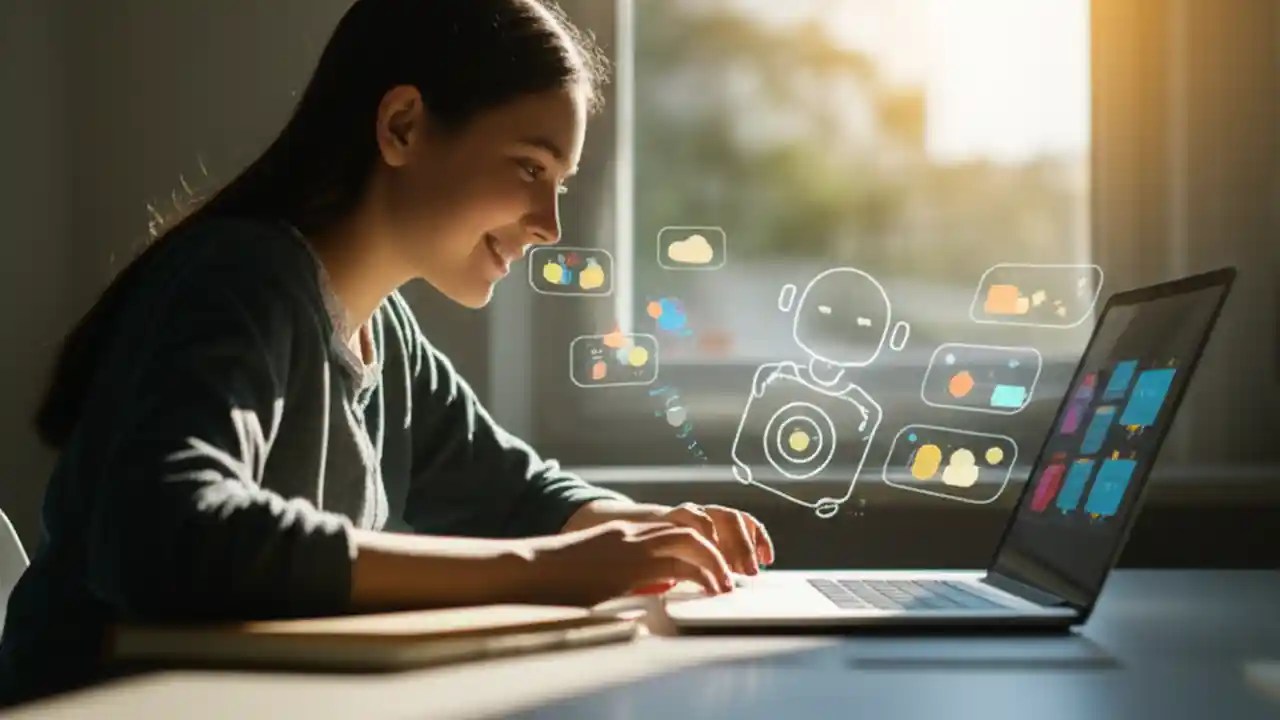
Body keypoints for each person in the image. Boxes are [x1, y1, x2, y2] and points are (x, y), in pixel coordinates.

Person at [0, 0, 773, 705]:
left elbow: (513, 493)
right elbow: (169, 537)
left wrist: (652, 533)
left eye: (561, 184)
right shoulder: (238, 280)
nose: (548, 225)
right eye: (531, 169)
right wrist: (550, 570)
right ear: (402, 126)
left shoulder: (386, 332)